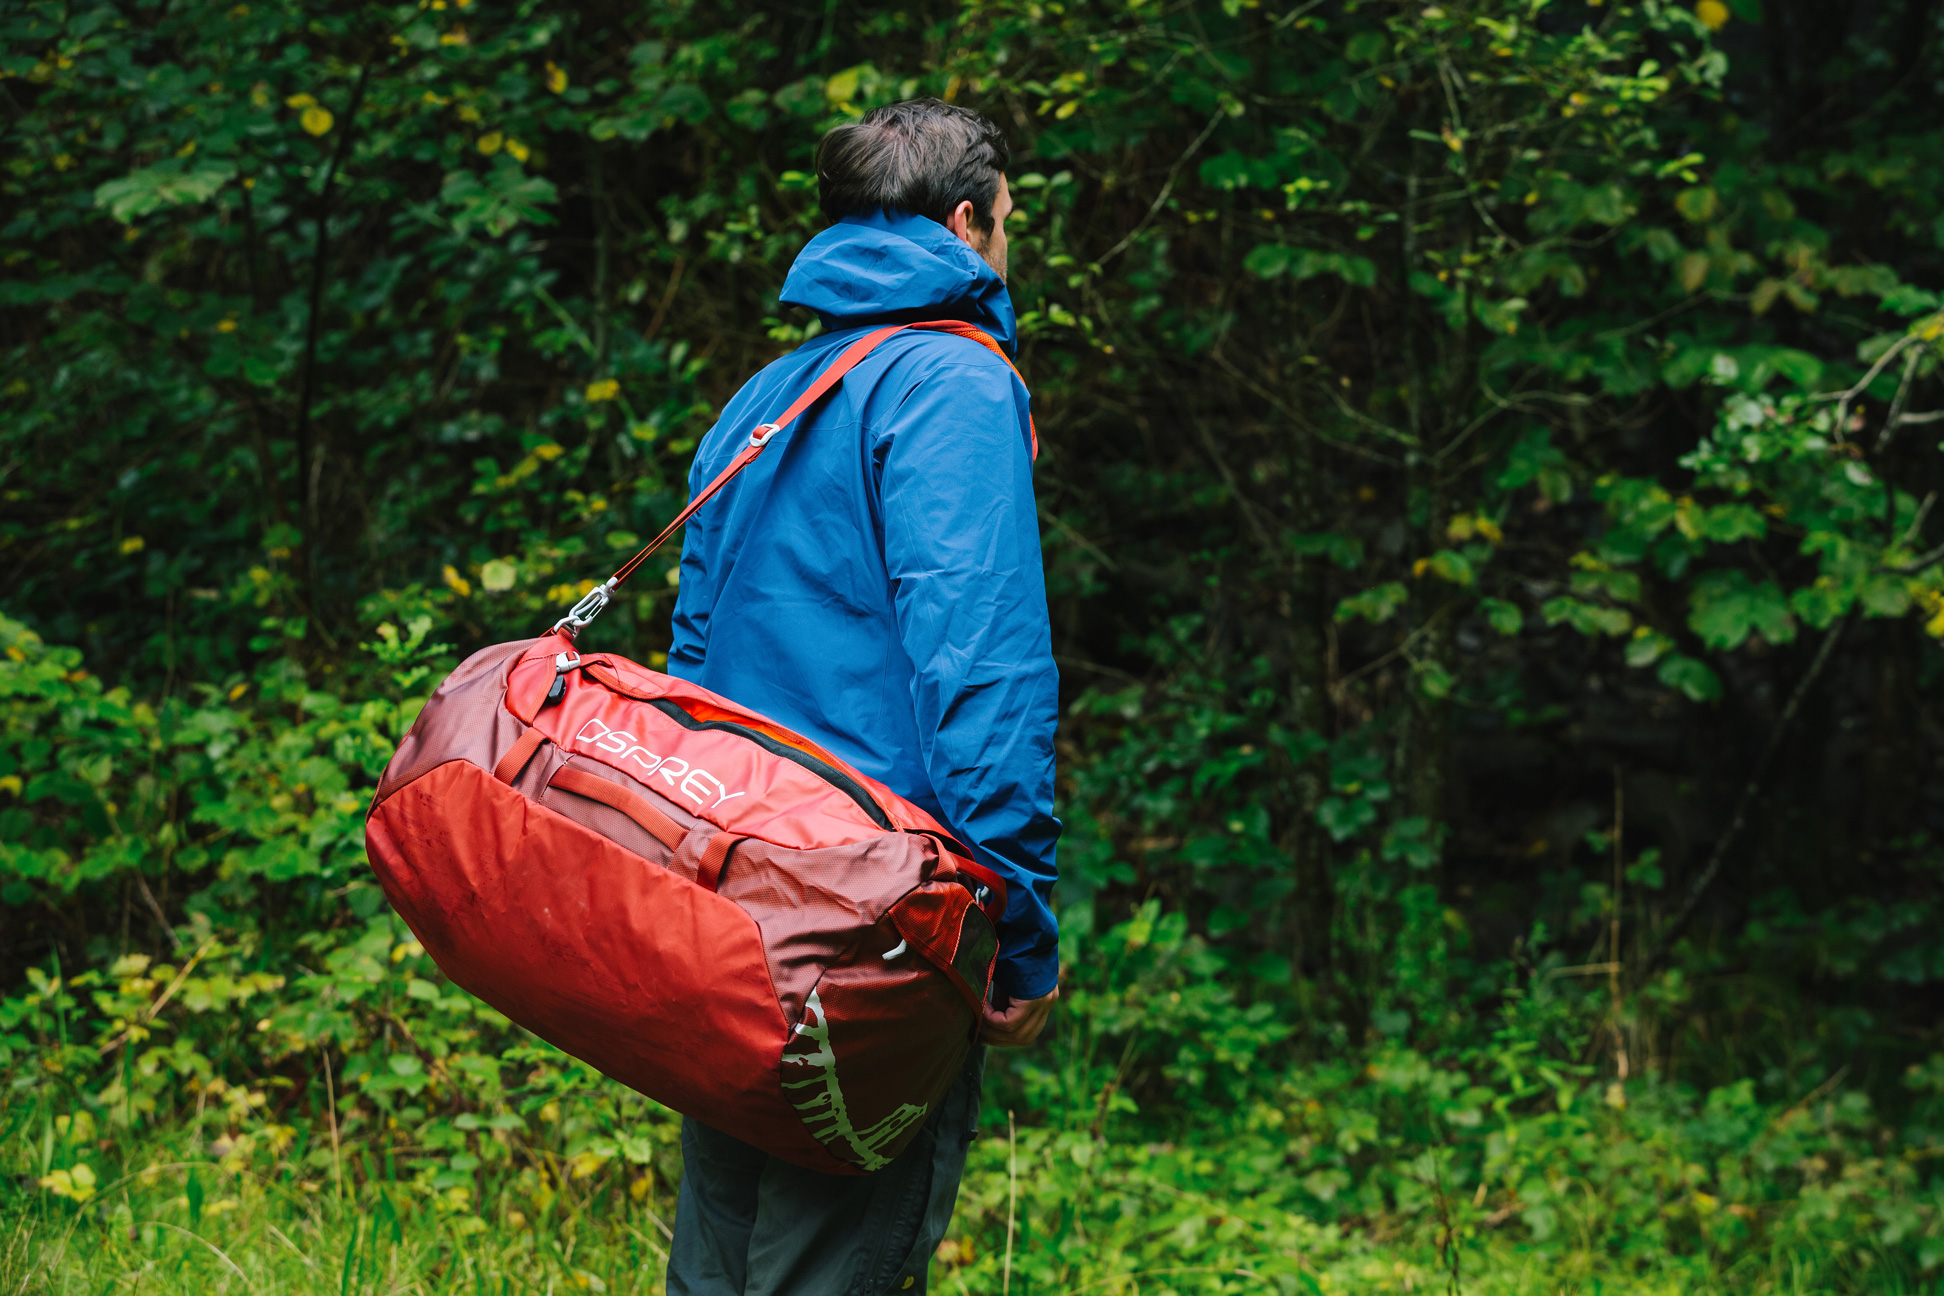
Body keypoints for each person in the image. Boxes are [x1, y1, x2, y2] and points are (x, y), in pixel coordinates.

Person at [661, 99, 1061, 1294]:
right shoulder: (952, 383)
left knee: (721, 1256)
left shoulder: (770, 393)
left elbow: (694, 658)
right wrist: (1020, 933)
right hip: (880, 918)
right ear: (965, 223)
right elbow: (980, 669)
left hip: (736, 898)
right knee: (836, 1265)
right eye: (1009, 222)